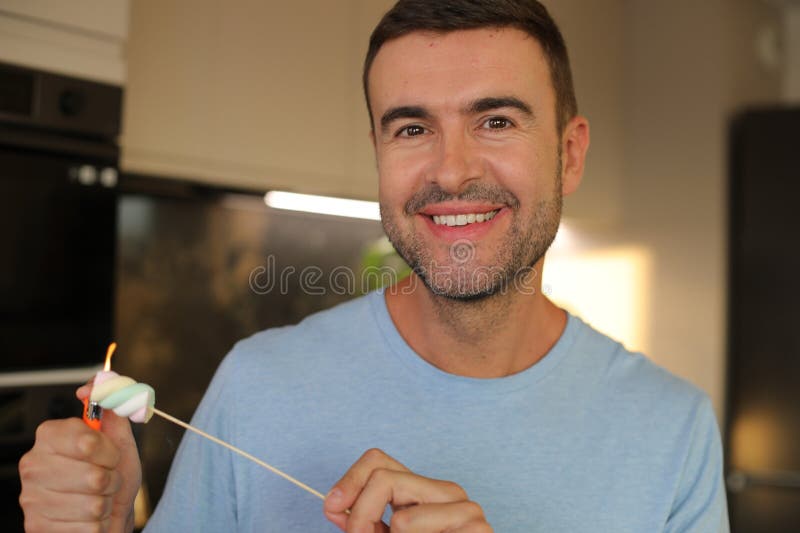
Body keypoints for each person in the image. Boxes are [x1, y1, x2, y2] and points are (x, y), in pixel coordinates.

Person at [18, 0, 730, 531]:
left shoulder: (671, 429)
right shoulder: (257, 384)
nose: (452, 171)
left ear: (570, 154)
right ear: (379, 154)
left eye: (497, 120)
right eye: (413, 128)